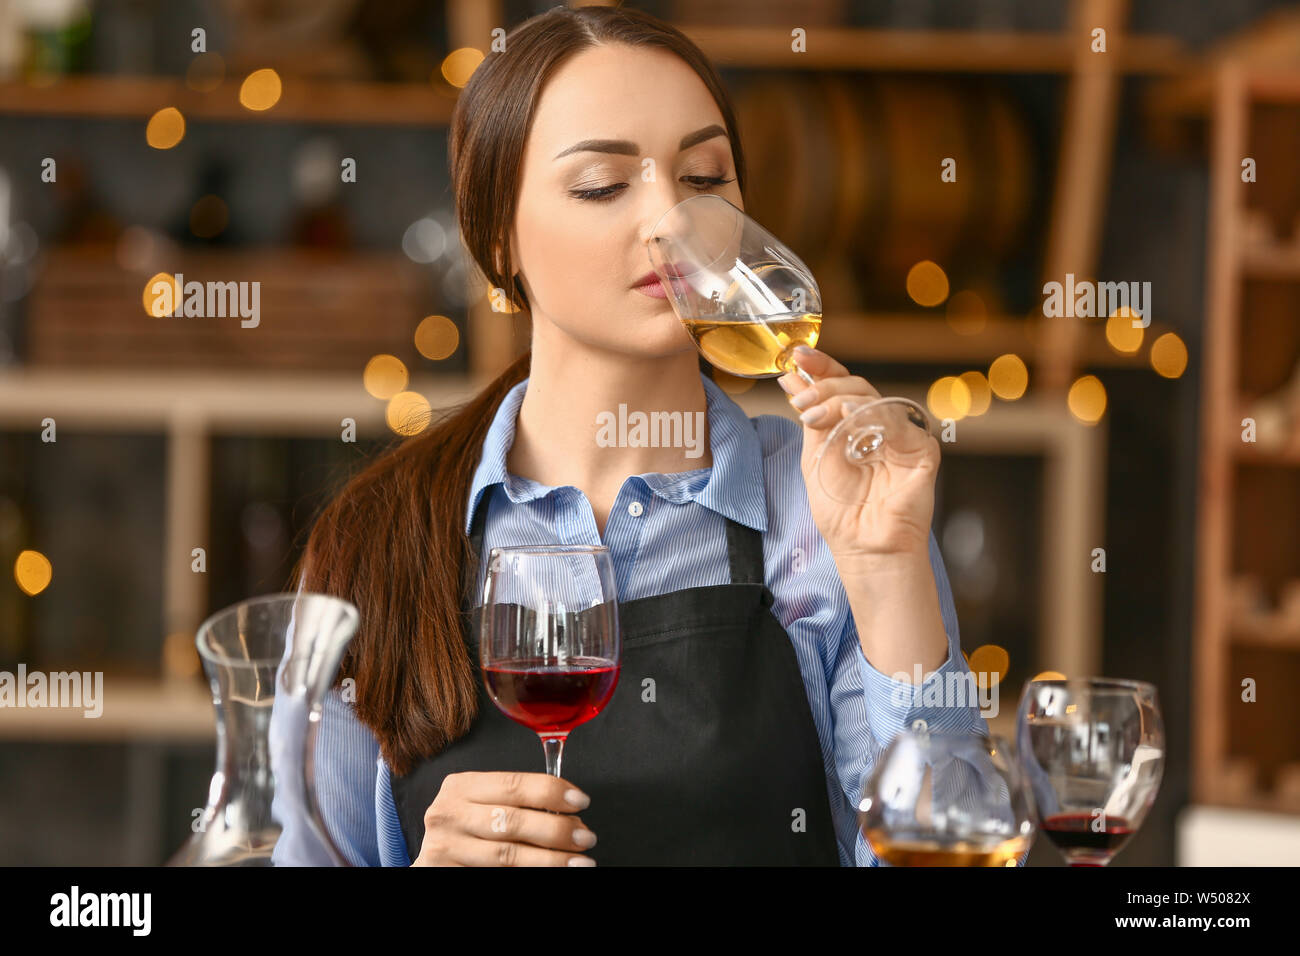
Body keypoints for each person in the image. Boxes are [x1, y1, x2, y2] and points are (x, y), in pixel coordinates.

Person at [272, 4, 993, 867]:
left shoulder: (825, 512)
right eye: (603, 185)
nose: (669, 221)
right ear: (499, 237)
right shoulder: (371, 548)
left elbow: (948, 859)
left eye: (703, 177)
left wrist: (885, 574)